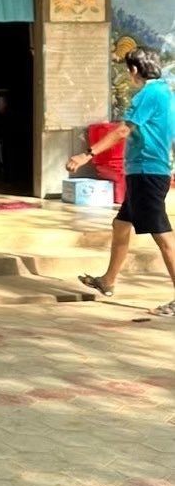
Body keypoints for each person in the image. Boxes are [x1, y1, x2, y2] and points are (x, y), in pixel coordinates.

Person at [69, 48, 175, 316]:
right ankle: (108, 281)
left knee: (163, 236)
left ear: (134, 70)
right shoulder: (165, 93)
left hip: (146, 173)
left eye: (128, 70)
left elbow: (123, 130)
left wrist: (87, 154)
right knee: (120, 225)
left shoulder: (149, 94)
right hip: (149, 171)